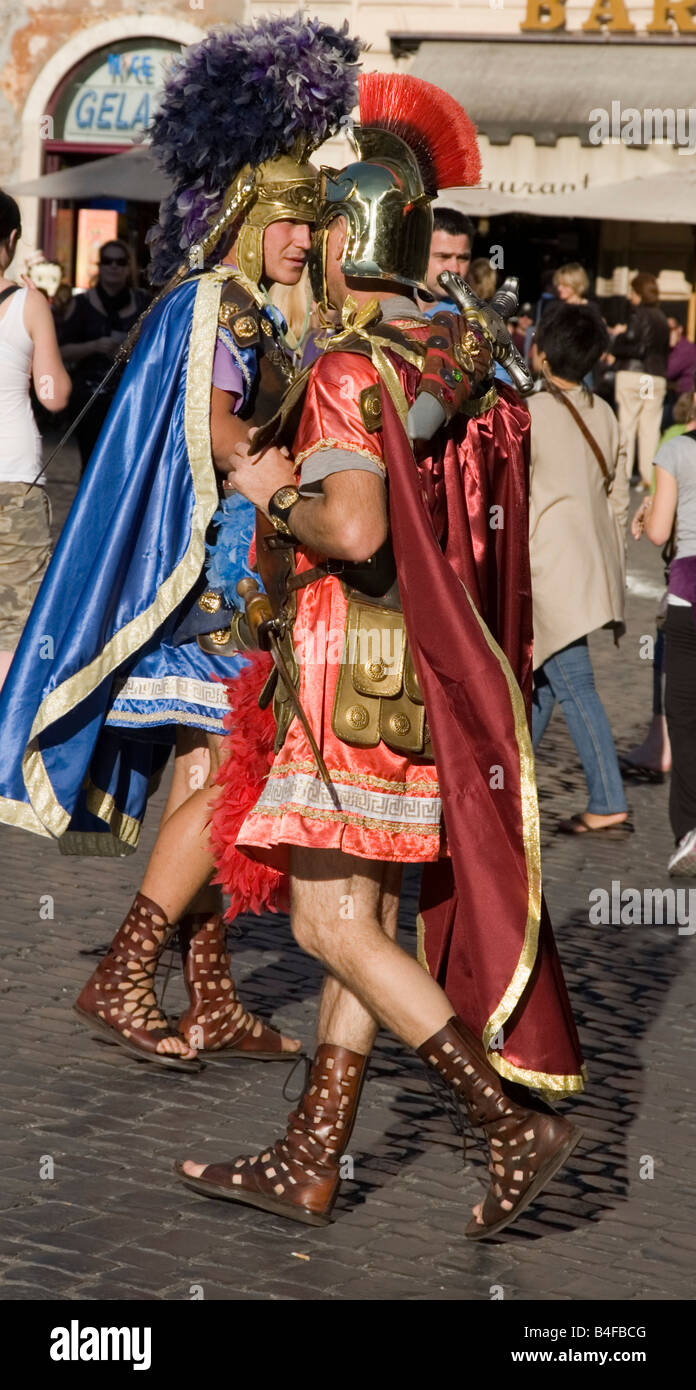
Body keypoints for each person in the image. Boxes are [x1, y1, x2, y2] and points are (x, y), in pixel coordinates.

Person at [177, 72, 585, 1240]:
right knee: (366, 919)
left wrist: (269, 488)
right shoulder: (459, 354)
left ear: (353, 241)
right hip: (415, 675)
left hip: (343, 665)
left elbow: (353, 528)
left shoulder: (358, 364)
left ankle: (504, 1121)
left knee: (326, 926)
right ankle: (312, 1156)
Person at [0, 16, 361, 1069]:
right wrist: (274, 464)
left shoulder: (246, 305)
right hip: (217, 584)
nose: (302, 237)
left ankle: (208, 996)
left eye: (312, 221)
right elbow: (209, 427)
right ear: (247, 215)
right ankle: (126, 967)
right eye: (289, 220)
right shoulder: (226, 306)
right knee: (225, 783)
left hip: (235, 575)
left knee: (216, 777)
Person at [528, 303, 629, 836]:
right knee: (544, 683)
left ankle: (608, 797)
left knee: (574, 684)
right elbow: (616, 494)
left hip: (551, 568)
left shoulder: (530, 412)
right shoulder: (605, 411)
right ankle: (506, 785)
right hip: (590, 565)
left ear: (541, 355)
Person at [0, 190, 71, 690]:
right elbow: (53, 396)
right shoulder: (28, 302)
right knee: (14, 624)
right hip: (15, 478)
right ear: (10, 240)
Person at [632, 372, 696, 875]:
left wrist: (650, 508)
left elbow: (657, 534)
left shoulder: (675, 450)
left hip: (690, 594)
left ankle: (690, 831)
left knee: (685, 714)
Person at [58, 239, 149, 473]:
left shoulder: (143, 303)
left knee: (124, 466)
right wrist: (94, 346)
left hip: (129, 399)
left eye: (120, 261)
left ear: (129, 267)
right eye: (107, 261)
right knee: (91, 465)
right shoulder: (81, 304)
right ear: (99, 266)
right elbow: (61, 349)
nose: (113, 267)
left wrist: (129, 350)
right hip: (89, 399)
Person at [609, 272, 670, 490]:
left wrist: (617, 340)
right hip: (655, 377)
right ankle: (648, 477)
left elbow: (638, 345)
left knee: (627, 424)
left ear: (637, 292)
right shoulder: (663, 318)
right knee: (650, 429)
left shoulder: (637, 314)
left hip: (635, 374)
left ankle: (623, 475)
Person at [417, 206, 474, 315]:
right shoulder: (384, 301)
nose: (455, 269)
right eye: (443, 256)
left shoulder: (471, 322)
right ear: (418, 256)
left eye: (463, 258)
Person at [663, 317, 696, 432]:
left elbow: (668, 372)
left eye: (671, 329)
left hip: (685, 396)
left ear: (679, 329)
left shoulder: (686, 348)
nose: (667, 333)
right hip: (673, 394)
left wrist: (670, 347)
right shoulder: (667, 348)